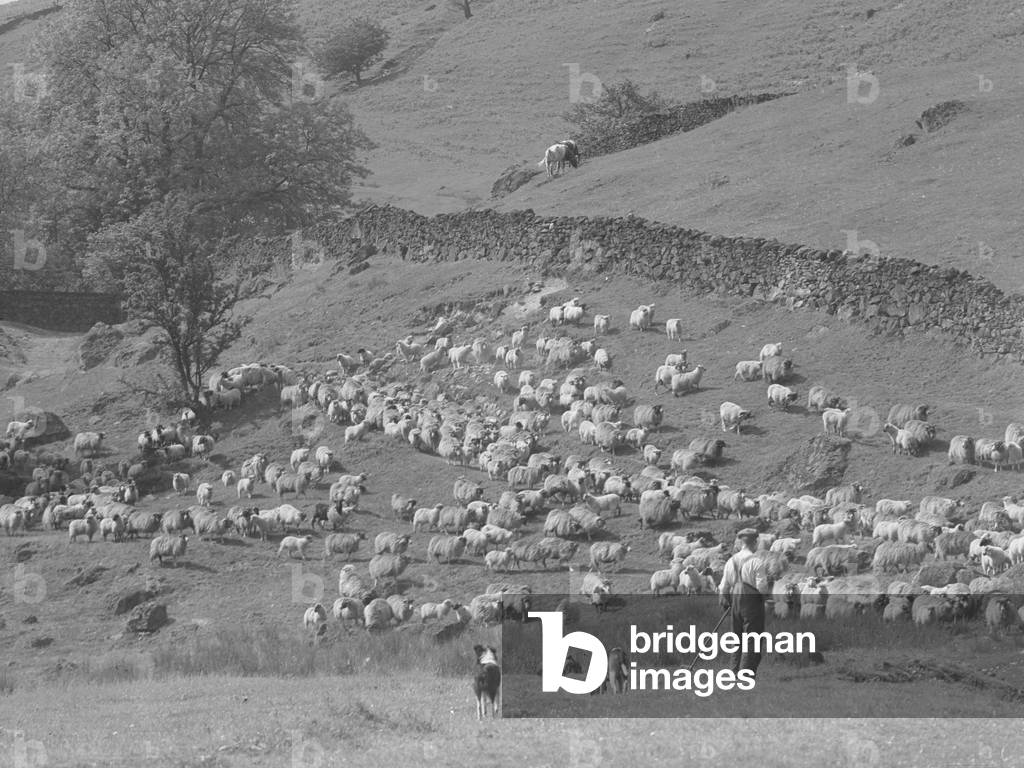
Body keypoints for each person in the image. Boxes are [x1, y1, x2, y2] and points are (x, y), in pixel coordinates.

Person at [718, 528, 771, 677]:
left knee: (737, 637)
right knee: (752, 637)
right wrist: (765, 597)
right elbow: (762, 587)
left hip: (735, 600)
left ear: (741, 542)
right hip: (752, 602)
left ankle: (734, 670)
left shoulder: (731, 561)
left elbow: (723, 586)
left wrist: (727, 602)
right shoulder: (756, 561)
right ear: (755, 542)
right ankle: (746, 673)